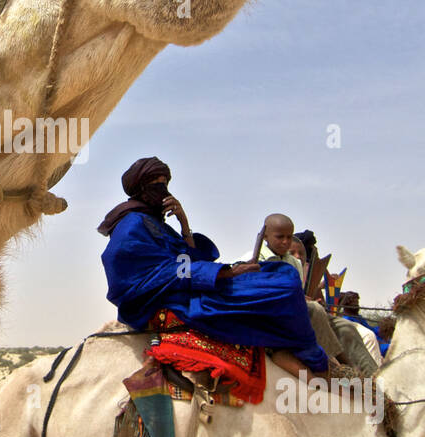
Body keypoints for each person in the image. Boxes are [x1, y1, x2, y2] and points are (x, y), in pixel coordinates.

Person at [98, 158, 328, 377]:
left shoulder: (155, 223)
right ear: (140, 188)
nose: (163, 188)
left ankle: (293, 347)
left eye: (165, 183)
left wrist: (184, 223)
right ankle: (310, 357)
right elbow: (160, 274)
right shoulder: (131, 225)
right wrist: (227, 273)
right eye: (155, 184)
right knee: (285, 285)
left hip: (192, 286)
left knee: (283, 273)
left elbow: (188, 259)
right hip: (169, 301)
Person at [257, 213, 305, 284]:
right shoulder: (253, 261)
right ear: (265, 236)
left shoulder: (295, 263)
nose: (285, 241)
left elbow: (298, 291)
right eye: (279, 237)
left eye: (289, 237)